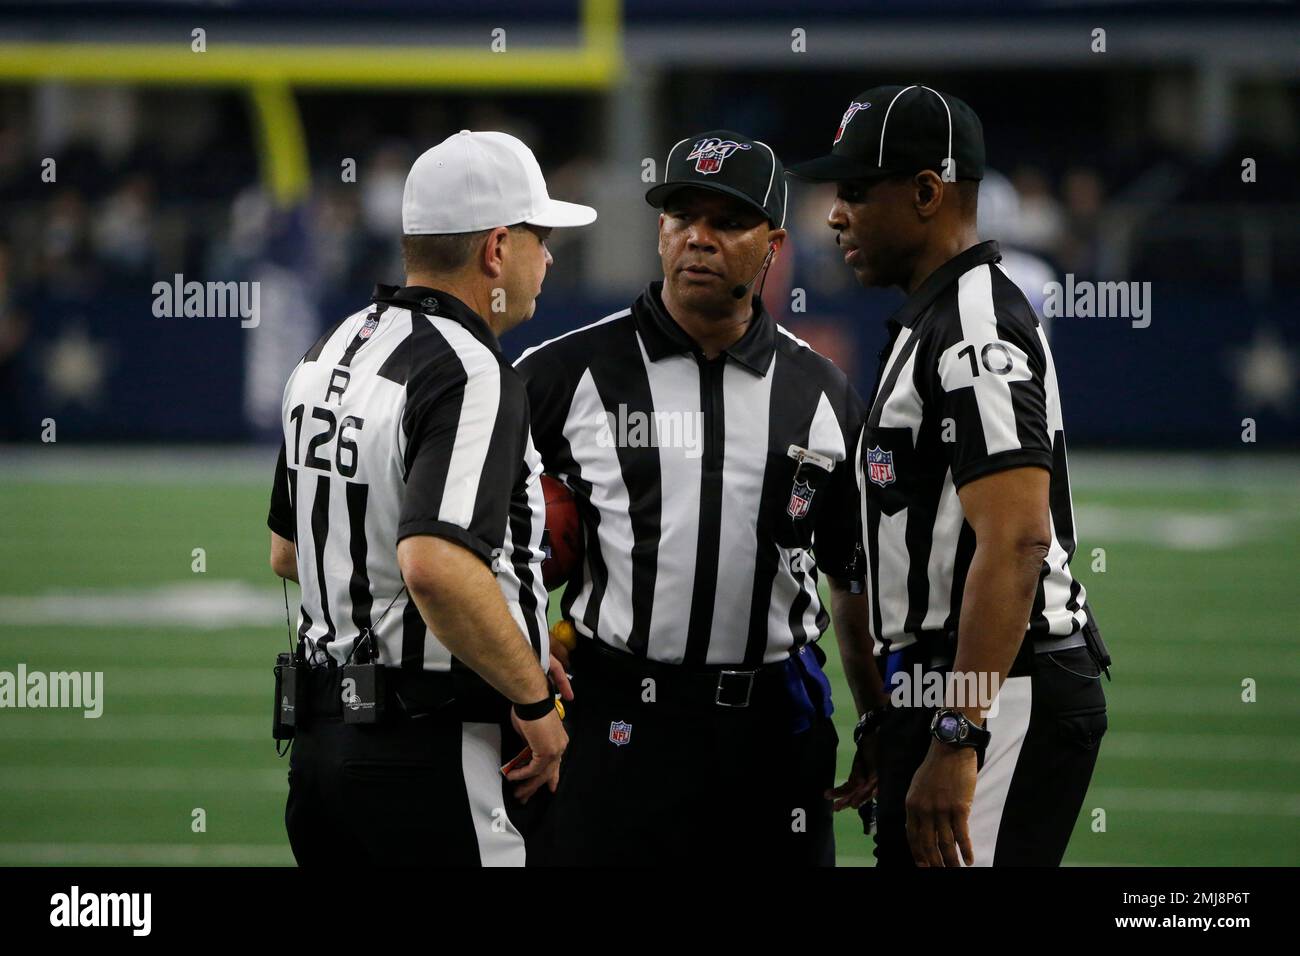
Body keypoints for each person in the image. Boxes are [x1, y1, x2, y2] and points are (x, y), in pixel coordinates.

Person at [516, 130, 876, 866]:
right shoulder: (561, 373)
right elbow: (475, 541)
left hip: (773, 726)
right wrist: (517, 689)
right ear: (660, 232)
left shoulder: (821, 392)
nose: (700, 239)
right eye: (684, 218)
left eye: (729, 221)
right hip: (614, 716)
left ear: (774, 243)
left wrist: (878, 719)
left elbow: (854, 576)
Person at [788, 85, 1111, 867]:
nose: (835, 214)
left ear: (928, 192)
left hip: (1003, 684)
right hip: (949, 684)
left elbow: (1019, 536)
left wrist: (960, 731)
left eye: (856, 191)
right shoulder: (930, 318)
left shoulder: (973, 322)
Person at [266, 129, 595, 866]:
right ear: (496, 249)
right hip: (429, 755)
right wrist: (534, 703)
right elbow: (436, 566)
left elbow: (292, 552)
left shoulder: (333, 348)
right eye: (540, 237)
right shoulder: (471, 369)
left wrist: (507, 638)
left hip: (321, 751)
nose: (548, 259)